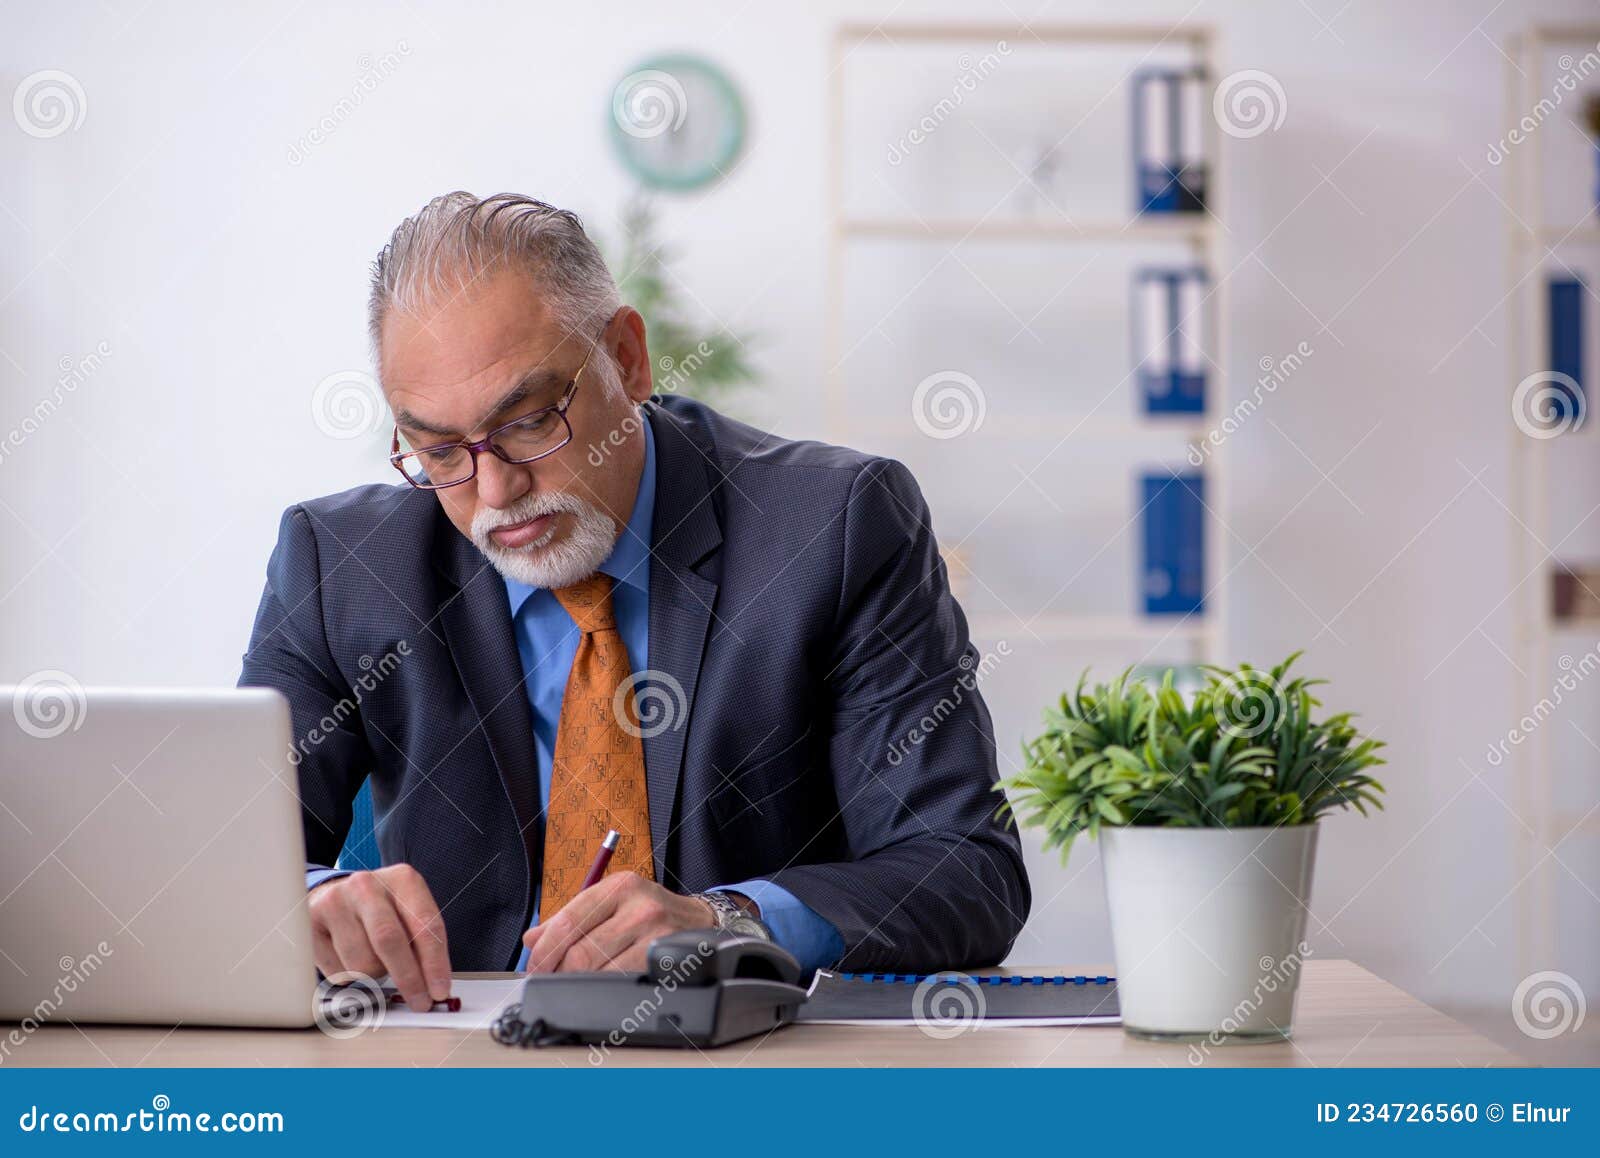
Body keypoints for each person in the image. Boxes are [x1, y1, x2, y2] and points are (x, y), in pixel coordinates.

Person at [239, 192, 1029, 1010]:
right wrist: (304, 898)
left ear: (625, 357)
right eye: (441, 451)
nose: (498, 490)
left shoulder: (832, 528)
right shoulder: (342, 568)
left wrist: (731, 921)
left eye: (531, 421)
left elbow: (966, 868)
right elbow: (217, 860)